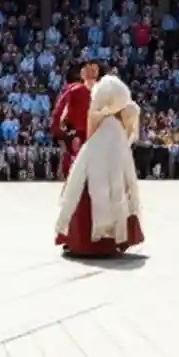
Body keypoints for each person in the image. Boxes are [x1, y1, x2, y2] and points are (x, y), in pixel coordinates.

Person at [54, 74, 145, 257]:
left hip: (96, 148)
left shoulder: (97, 113)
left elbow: (90, 128)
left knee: (83, 184)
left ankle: (82, 240)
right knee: (118, 188)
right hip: (117, 148)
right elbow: (131, 130)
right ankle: (116, 238)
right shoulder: (124, 111)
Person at [52, 60, 100, 178]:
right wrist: (65, 129)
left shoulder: (99, 92)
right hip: (78, 131)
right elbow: (63, 111)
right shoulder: (75, 91)